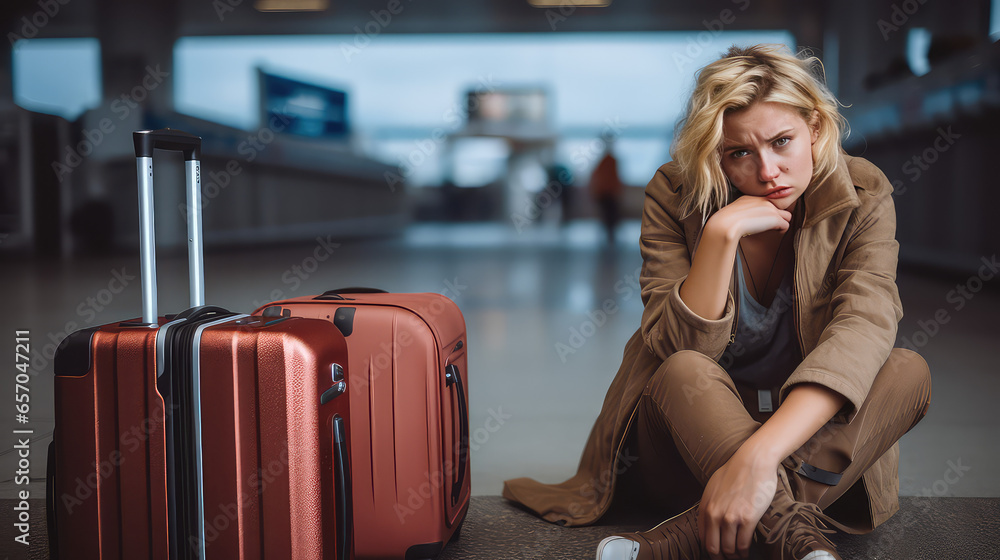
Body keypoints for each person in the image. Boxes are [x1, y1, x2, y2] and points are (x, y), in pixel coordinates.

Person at [502, 43, 932, 560]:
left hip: (803, 449)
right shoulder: (673, 192)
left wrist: (757, 457)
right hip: (683, 446)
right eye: (740, 153)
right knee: (682, 368)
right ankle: (793, 534)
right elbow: (680, 346)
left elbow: (864, 326)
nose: (768, 170)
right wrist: (719, 236)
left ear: (816, 129)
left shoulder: (863, 192)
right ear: (715, 154)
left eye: (782, 142)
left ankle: (687, 537)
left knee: (907, 370)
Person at [588, 142, 625, 243]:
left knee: (609, 215)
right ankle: (610, 235)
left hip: (607, 193)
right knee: (609, 215)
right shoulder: (608, 161)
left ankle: (610, 235)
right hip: (606, 193)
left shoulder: (608, 161)